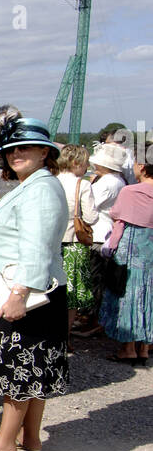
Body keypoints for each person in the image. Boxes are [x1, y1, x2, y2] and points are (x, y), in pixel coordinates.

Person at [0, 117, 68, 451]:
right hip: (32, 290)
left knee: (19, 368)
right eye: (11, 148)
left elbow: (37, 246)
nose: (16, 154)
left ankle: (4, 444)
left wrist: (20, 294)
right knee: (35, 365)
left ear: (45, 152)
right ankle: (32, 437)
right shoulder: (35, 184)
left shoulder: (41, 189)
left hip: (27, 291)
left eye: (25, 147)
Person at [99, 147, 153, 365]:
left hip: (130, 250)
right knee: (148, 295)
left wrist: (109, 247)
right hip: (150, 251)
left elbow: (118, 221)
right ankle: (144, 348)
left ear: (141, 166)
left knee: (127, 294)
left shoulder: (131, 192)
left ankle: (127, 348)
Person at [76, 143, 128, 337]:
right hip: (104, 232)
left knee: (95, 279)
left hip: (97, 232)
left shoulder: (108, 182)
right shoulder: (117, 180)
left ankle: (93, 319)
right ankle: (92, 318)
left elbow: (88, 205)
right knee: (97, 279)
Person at [56, 144, 98, 336]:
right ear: (77, 162)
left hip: (52, 242)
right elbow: (91, 217)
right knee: (71, 294)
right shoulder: (83, 184)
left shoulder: (51, 180)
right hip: (74, 242)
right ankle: (65, 335)